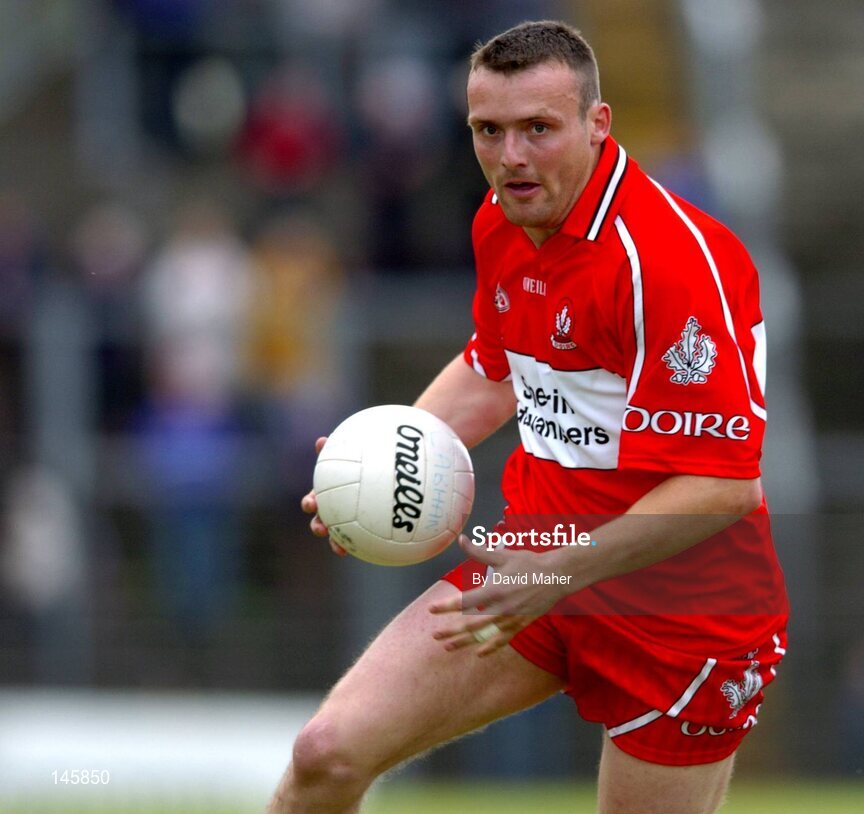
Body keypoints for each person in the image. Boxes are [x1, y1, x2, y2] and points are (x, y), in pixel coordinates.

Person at [266, 20, 788, 814]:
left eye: (538, 128)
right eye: (489, 130)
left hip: (683, 616)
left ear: (597, 124)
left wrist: (552, 575)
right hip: (537, 566)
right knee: (325, 756)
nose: (510, 155)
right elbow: (494, 368)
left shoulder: (667, 263)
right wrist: (379, 461)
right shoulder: (501, 218)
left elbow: (725, 488)